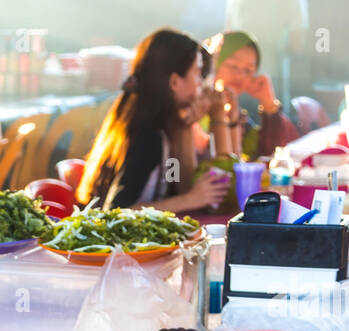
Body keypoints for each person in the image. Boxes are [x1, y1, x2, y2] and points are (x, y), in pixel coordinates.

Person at [76, 28, 227, 213]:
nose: (200, 83)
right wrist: (190, 199)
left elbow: (174, 183)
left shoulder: (166, 129)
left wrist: (185, 126)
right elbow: (116, 210)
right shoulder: (147, 137)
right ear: (174, 82)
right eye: (197, 73)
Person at [203, 31, 298, 159]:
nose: (240, 75)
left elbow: (275, 154)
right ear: (213, 63)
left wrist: (268, 104)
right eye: (232, 66)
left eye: (248, 70)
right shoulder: (196, 112)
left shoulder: (236, 114)